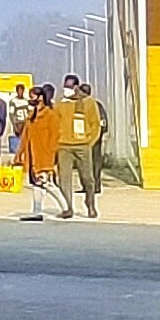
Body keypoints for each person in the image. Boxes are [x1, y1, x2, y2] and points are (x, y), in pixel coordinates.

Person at [17, 84, 71, 219]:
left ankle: (66, 208)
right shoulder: (31, 116)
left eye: (33, 97)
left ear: (41, 97)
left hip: (43, 156)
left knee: (46, 183)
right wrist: (19, 154)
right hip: (32, 155)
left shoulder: (51, 115)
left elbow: (54, 137)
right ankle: (37, 211)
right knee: (37, 185)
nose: (31, 99)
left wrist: (50, 157)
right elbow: (25, 136)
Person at [61, 79, 106, 218]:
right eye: (65, 86)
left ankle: (90, 203)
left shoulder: (90, 103)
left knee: (88, 178)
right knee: (64, 179)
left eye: (69, 86)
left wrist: (89, 142)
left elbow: (96, 124)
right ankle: (68, 207)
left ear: (76, 87)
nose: (66, 89)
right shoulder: (61, 104)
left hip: (82, 145)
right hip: (64, 146)